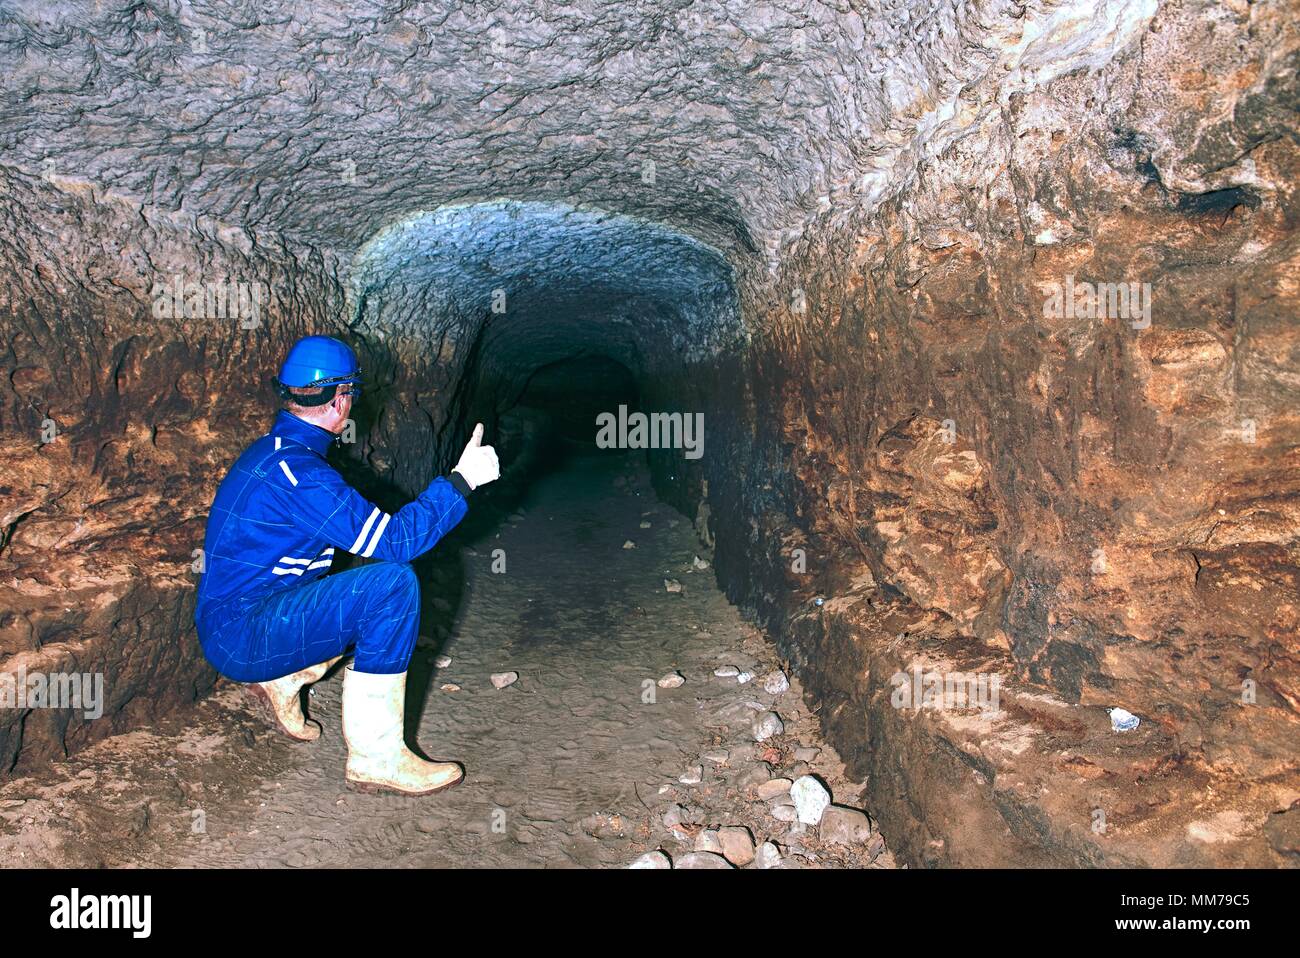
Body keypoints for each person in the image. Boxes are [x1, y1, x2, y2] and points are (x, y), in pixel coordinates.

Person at [194, 335, 498, 795]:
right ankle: (377, 758)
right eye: (352, 394)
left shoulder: (271, 453)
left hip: (235, 620)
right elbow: (396, 543)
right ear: (339, 401)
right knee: (392, 585)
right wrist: (462, 482)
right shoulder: (304, 476)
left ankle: (285, 675)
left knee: (350, 581)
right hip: (244, 635)